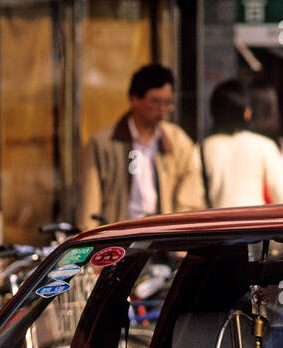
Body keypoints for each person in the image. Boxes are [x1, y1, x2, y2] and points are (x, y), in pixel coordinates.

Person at [78, 64, 205, 229]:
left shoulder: (178, 141)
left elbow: (190, 199)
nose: (162, 110)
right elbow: (90, 202)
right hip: (120, 236)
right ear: (134, 99)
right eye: (156, 102)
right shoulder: (103, 143)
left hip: (164, 237)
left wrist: (181, 238)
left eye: (167, 103)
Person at [199, 80, 283, 209]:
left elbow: (191, 201)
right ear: (247, 113)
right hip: (254, 225)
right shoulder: (265, 146)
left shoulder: (201, 149)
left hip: (215, 226)